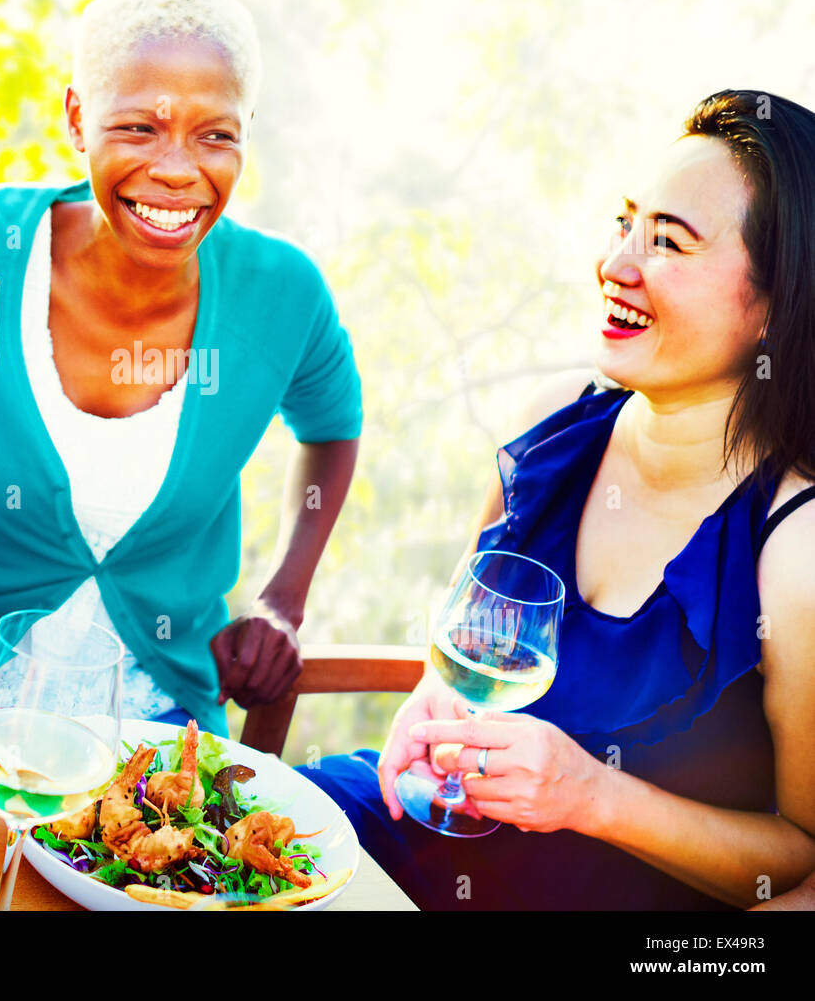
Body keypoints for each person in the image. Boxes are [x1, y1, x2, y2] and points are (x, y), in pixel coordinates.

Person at [302, 89, 815, 909]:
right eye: (625, 224)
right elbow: (468, 638)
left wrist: (594, 796)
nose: (616, 265)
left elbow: (798, 856)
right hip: (409, 838)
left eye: (669, 243)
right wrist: (435, 697)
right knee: (213, 838)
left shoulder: (796, 551)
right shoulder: (550, 424)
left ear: (774, 307)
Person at [0, 0, 362, 757]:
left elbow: (332, 427)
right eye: (140, 129)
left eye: (215, 134)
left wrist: (283, 598)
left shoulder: (281, 295)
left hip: (157, 744)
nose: (179, 169)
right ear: (77, 117)